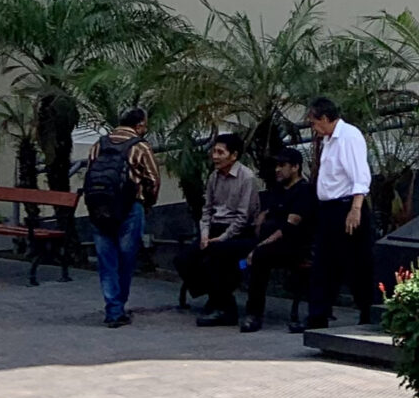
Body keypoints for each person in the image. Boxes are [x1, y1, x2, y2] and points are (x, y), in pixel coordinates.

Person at [304, 96, 380, 329]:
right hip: (329, 209)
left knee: (356, 262)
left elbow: (360, 175)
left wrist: (355, 208)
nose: (314, 128)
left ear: (325, 118)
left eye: (315, 123)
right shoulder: (328, 140)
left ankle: (367, 311)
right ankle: (318, 315)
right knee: (324, 263)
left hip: (347, 206)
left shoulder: (349, 137)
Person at [83, 106, 161, 330]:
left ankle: (112, 309)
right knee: (126, 259)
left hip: (99, 208)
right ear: (139, 125)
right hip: (129, 208)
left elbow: (90, 173)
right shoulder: (141, 146)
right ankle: (119, 307)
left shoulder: (99, 144)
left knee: (106, 260)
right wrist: (147, 202)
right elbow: (153, 179)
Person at [178, 133, 260, 326]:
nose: (215, 156)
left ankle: (224, 307)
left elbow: (243, 216)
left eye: (220, 152)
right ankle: (216, 298)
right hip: (214, 228)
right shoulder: (214, 176)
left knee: (217, 256)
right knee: (184, 259)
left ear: (233, 155)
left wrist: (223, 237)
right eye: (214, 151)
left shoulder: (246, 178)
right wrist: (205, 233)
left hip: (239, 233)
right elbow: (206, 210)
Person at [242, 144, 317, 333]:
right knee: (229, 251)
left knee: (259, 257)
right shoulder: (278, 189)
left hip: (293, 247)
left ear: (295, 167)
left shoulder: (304, 191)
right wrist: (262, 216)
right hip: (268, 242)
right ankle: (221, 302)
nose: (277, 170)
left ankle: (254, 314)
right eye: (277, 165)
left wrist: (258, 247)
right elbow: (271, 210)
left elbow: (288, 227)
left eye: (282, 165)